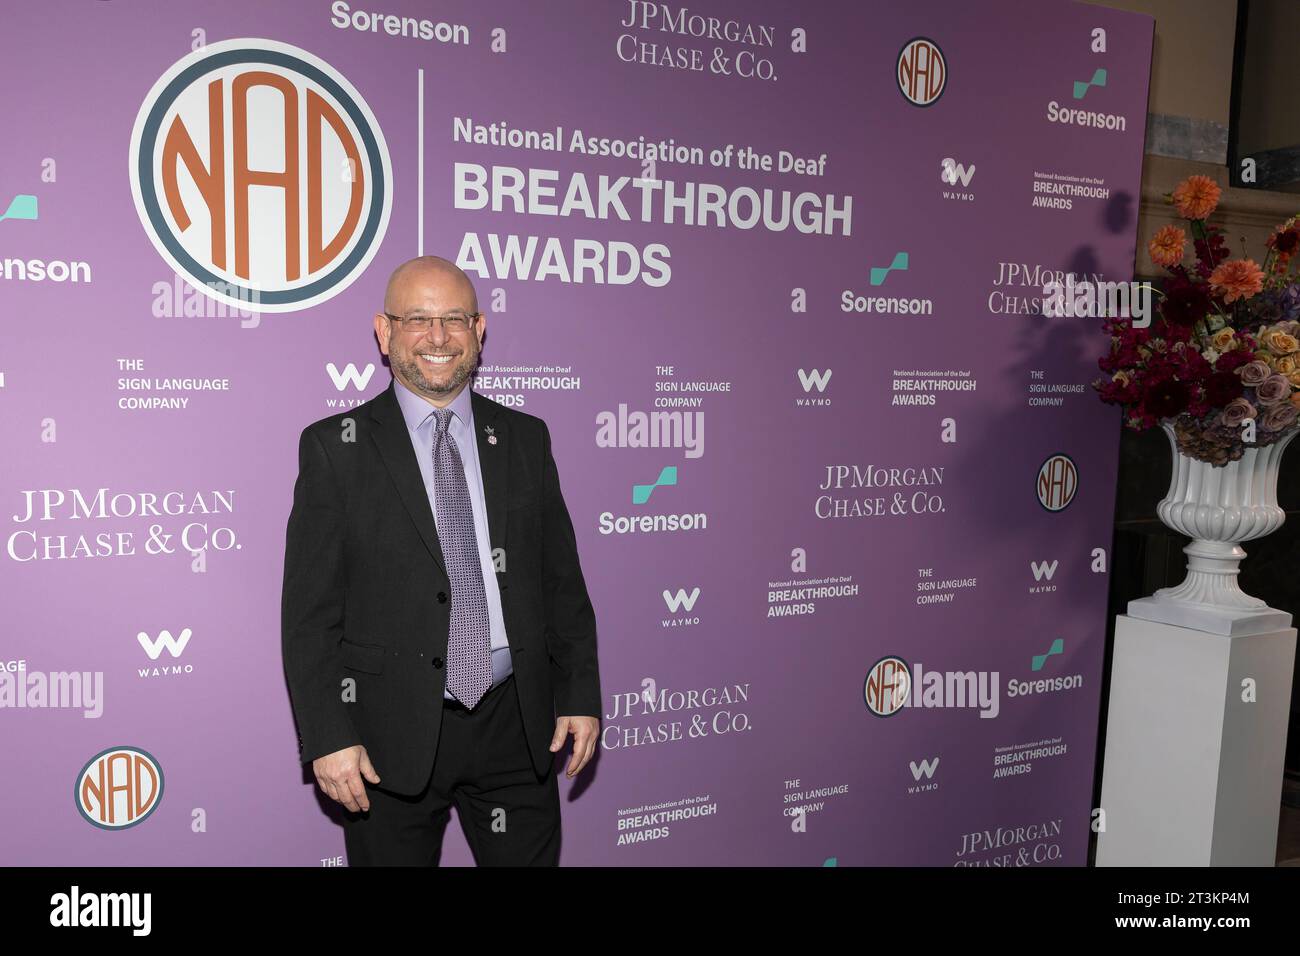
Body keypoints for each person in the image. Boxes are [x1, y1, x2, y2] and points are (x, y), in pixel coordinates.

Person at [281, 255, 601, 866]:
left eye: (454, 318)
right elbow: (309, 615)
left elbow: (562, 582)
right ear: (384, 330)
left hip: (516, 725)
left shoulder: (526, 438)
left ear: (479, 330)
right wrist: (328, 735)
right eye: (417, 319)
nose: (437, 337)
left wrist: (580, 692)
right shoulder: (335, 449)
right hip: (386, 737)